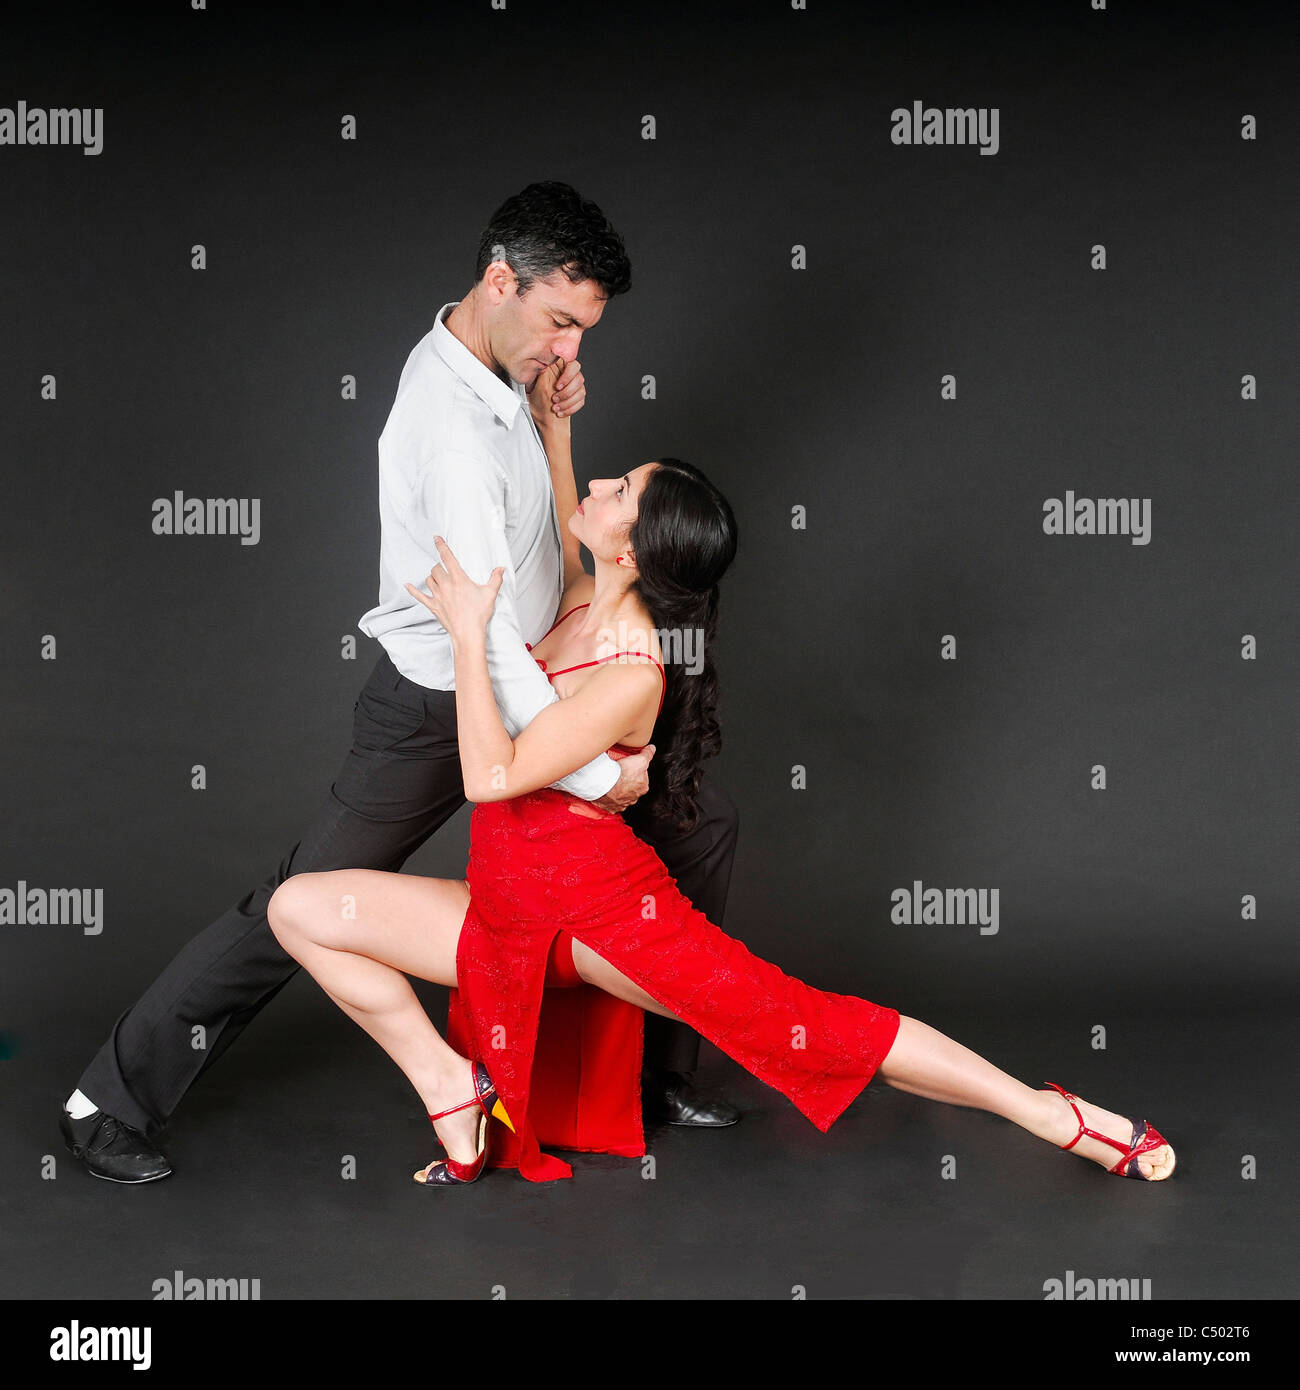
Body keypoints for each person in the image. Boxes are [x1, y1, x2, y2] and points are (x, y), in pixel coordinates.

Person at [266, 424, 1177, 1187]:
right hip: (505, 905)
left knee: (816, 1025)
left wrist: (469, 636)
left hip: (601, 919)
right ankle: (451, 1088)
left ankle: (1054, 1115)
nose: (597, 484)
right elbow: (562, 512)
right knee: (298, 907)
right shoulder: (584, 597)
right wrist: (554, 427)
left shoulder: (632, 667)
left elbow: (490, 779)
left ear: (634, 548)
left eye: (619, 489)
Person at [60, 181, 739, 1185]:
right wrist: (595, 774)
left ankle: (655, 1072)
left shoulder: (499, 372)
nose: (568, 350)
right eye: (559, 322)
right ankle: (108, 1100)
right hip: (444, 705)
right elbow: (488, 640)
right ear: (498, 281)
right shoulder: (451, 430)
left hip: (547, 672)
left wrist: (554, 430)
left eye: (583, 331)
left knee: (696, 830)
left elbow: (542, 551)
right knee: (300, 899)